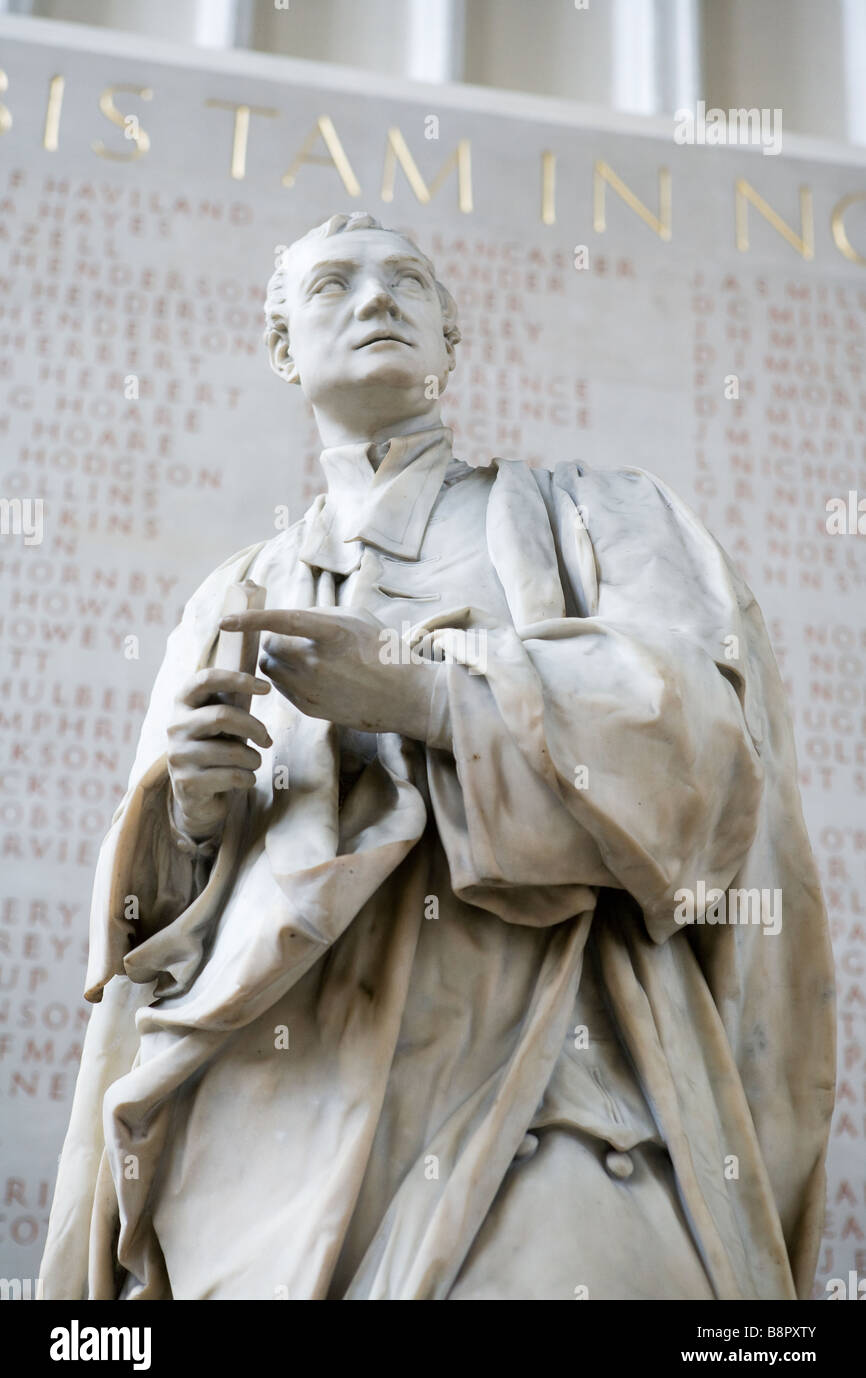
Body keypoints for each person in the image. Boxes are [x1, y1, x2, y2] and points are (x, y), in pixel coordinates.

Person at [40, 212, 835, 1301]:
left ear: (449, 341)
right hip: (265, 1146)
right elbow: (144, 957)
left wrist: (428, 695)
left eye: (405, 279)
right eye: (332, 286)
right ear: (283, 351)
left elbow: (704, 761)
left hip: (555, 1101)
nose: (374, 298)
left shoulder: (594, 520)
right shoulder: (227, 597)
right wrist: (191, 821)